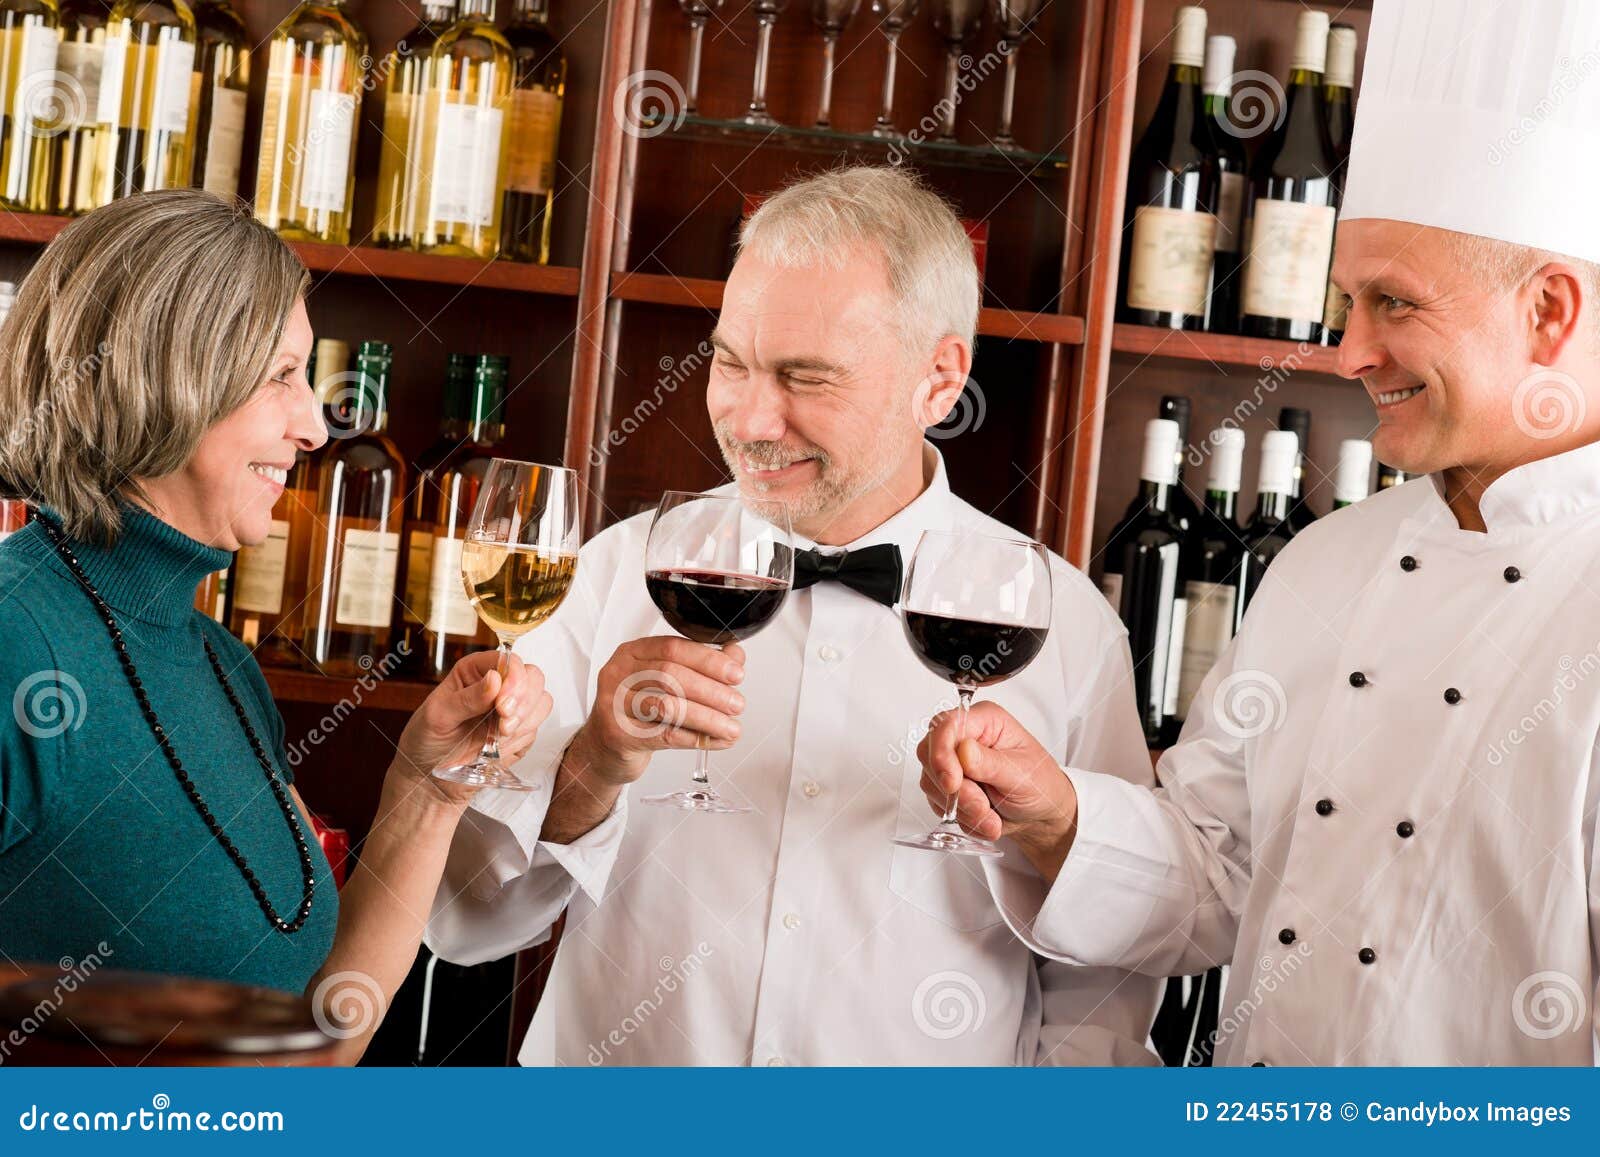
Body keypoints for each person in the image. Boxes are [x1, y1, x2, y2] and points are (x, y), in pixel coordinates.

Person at [917, 0, 1600, 1065]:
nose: (1346, 351)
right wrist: (1055, 816)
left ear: (1548, 311)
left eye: (1391, 303)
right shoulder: (1325, 563)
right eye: (1343, 301)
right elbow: (1217, 868)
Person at [427, 166, 1160, 1065]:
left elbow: (1104, 1001)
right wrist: (588, 772)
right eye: (731, 363)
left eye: (805, 378)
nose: (750, 419)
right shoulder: (616, 572)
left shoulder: (1067, 628)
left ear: (938, 381)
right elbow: (462, 920)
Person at [0, 190, 552, 1062]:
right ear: (167, 377)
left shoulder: (220, 663)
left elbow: (315, 1047)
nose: (310, 425)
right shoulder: (14, 638)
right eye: (280, 378)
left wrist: (427, 790)